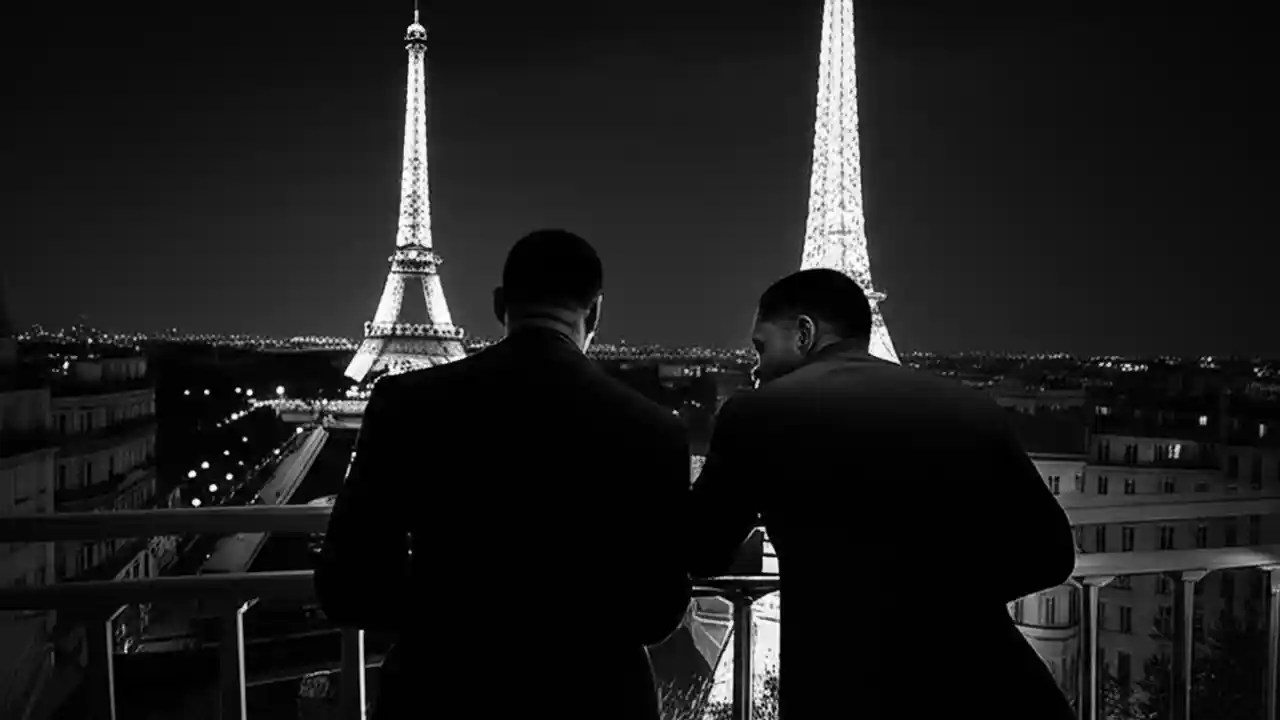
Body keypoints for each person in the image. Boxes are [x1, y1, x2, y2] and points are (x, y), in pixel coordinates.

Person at [315, 229, 692, 720]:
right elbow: (656, 610)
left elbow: (349, 585)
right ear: (595, 311)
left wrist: (455, 613)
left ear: (500, 305)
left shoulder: (405, 404)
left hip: (442, 688)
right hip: (595, 695)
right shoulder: (654, 428)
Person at [687, 268, 1077, 719]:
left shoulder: (758, 413)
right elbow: (1050, 553)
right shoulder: (969, 405)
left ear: (804, 333)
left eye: (761, 346)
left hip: (848, 689)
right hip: (993, 686)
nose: (754, 366)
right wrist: (941, 596)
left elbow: (702, 547)